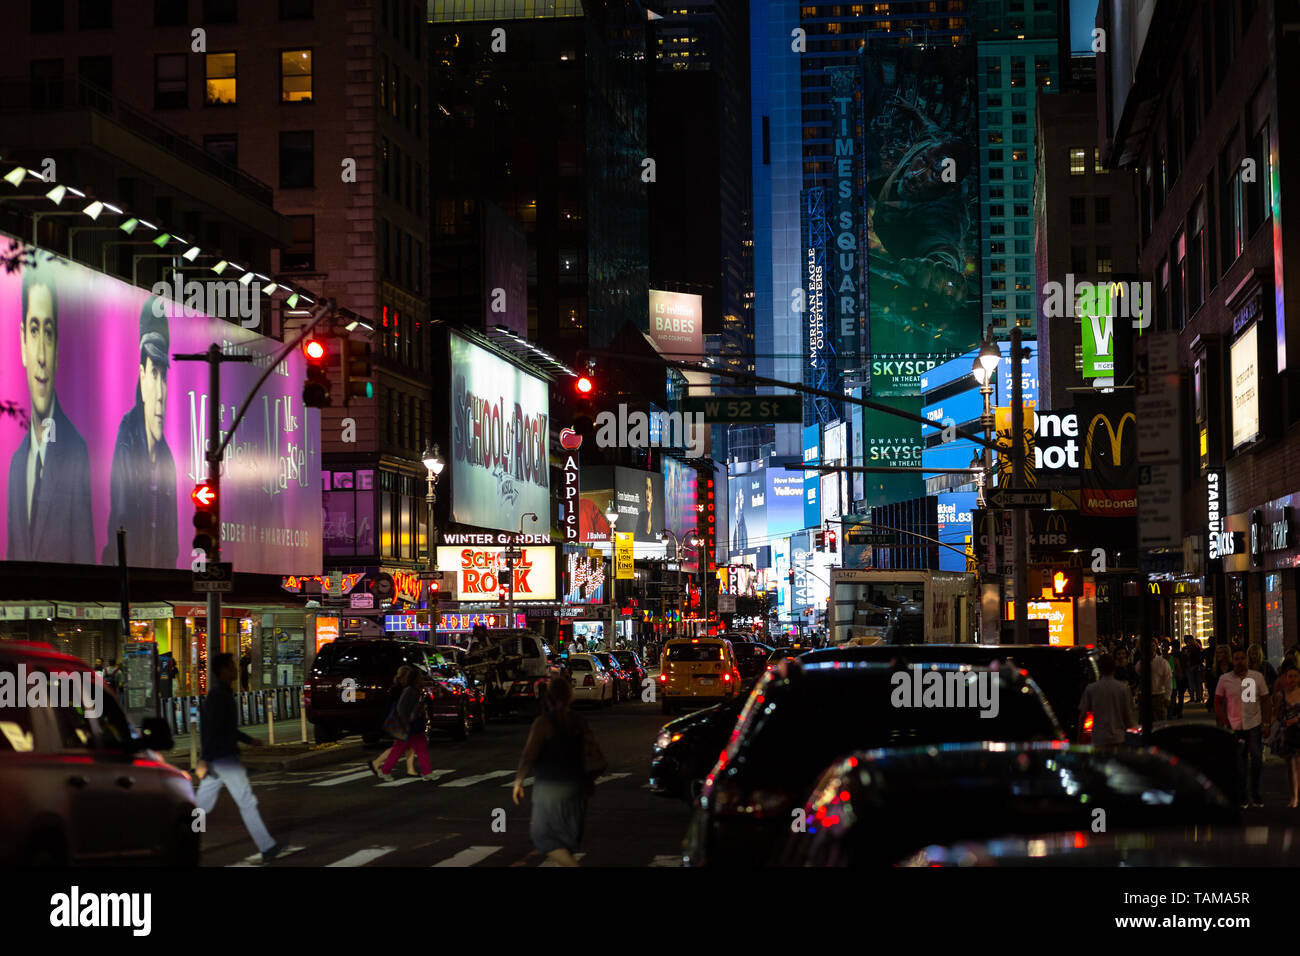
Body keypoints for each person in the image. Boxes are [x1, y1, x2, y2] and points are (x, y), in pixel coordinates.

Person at [7, 264, 94, 563]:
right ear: (22, 342)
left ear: (58, 350)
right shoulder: (17, 466)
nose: (41, 356)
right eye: (34, 331)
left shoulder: (76, 451)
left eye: (48, 333)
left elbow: (85, 562)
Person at [102, 297, 178, 569]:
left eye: (164, 377)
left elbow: (173, 546)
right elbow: (121, 523)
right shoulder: (126, 441)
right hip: (124, 581)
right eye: (154, 373)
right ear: (142, 376)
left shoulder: (167, 457)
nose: (159, 394)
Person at [196, 653, 284, 863]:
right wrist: (205, 758)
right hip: (225, 759)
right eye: (233, 666)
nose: (237, 670)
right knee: (246, 801)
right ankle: (267, 846)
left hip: (218, 758)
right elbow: (215, 729)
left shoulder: (221, 694)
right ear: (223, 670)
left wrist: (247, 740)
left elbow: (222, 729)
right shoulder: (219, 696)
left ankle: (186, 844)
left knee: (200, 806)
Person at [512, 676, 607, 866]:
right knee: (565, 843)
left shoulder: (543, 723)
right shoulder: (579, 722)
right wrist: (589, 780)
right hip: (576, 789)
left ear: (548, 697)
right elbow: (599, 759)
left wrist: (518, 781)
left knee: (543, 838)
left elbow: (529, 756)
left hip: (549, 789)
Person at [1215, 646, 1273, 809]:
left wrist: (1267, 722)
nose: (1240, 661)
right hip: (1235, 725)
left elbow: (1266, 699)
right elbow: (1217, 701)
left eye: (1242, 658)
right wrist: (1224, 721)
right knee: (1239, 763)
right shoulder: (1225, 679)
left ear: (1247, 659)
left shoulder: (1257, 677)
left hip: (1253, 723)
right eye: (1237, 659)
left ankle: (1255, 791)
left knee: (1256, 758)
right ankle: (1243, 795)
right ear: (1232, 661)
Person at [376, 665, 435, 781]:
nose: (422, 679)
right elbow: (401, 707)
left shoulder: (415, 690)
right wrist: (406, 722)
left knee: (416, 749)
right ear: (415, 679)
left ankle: (426, 772)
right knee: (400, 749)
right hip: (409, 725)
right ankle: (385, 771)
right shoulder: (410, 690)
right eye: (420, 678)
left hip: (414, 725)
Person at [1077, 653, 1137, 747]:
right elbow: (1128, 717)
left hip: (1098, 738)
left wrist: (1079, 739)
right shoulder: (1123, 689)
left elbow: (1082, 716)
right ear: (1114, 668)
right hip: (1118, 738)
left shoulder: (1091, 688)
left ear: (1099, 669)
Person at [368, 667, 417, 778]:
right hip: (399, 721)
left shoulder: (399, 688)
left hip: (399, 721)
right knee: (400, 746)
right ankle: (376, 763)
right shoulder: (400, 689)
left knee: (408, 745)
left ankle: (410, 769)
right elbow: (398, 707)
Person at [1273, 663, 1300, 808]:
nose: (1292, 679)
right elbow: (1277, 714)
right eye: (1290, 676)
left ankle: (1295, 797)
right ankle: (1293, 795)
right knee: (1290, 766)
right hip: (1287, 733)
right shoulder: (1281, 695)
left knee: (1298, 765)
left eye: (1295, 676)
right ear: (1286, 678)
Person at [1136, 642, 1172, 723]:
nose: (1151, 649)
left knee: (1160, 720)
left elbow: (1168, 680)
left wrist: (1167, 697)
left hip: (1158, 696)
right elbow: (1138, 678)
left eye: (1153, 646)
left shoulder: (1162, 662)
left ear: (1156, 648)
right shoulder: (1141, 663)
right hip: (1144, 696)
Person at [1208, 644, 1232, 712]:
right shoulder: (1214, 670)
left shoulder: (1232, 668)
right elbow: (1212, 688)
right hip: (1219, 699)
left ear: (1226, 654)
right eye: (1217, 653)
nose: (1218, 655)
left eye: (1221, 652)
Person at [1167, 641, 1185, 718]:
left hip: (1174, 677)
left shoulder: (1171, 656)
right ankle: (1179, 711)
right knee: (1180, 696)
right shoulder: (1183, 655)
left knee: (1173, 695)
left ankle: (1174, 710)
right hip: (1182, 676)